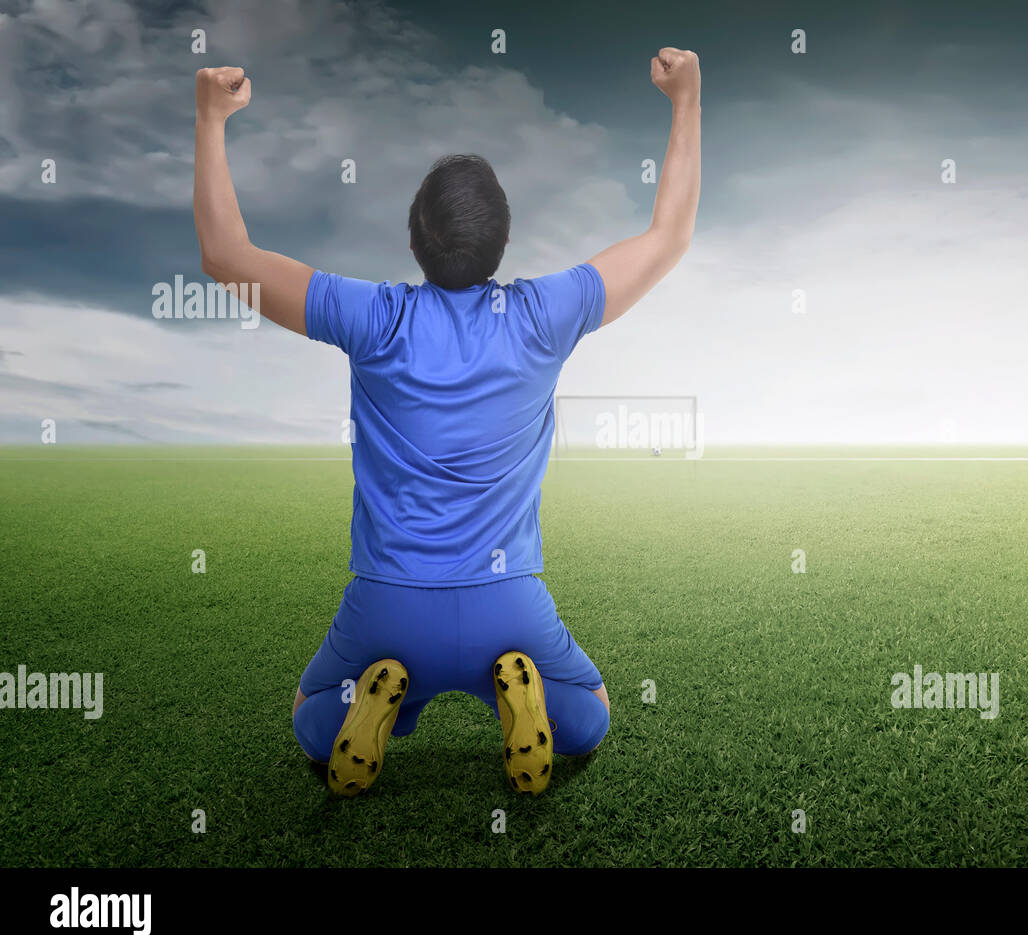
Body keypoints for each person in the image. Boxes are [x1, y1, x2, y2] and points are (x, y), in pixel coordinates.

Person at [192, 48, 702, 795]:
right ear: (501, 243)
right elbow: (669, 239)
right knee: (589, 714)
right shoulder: (541, 314)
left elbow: (224, 254)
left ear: (414, 241)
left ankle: (388, 690)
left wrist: (210, 118)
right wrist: (684, 99)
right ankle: (511, 691)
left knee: (310, 717)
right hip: (510, 605)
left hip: (386, 603)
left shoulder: (374, 317)